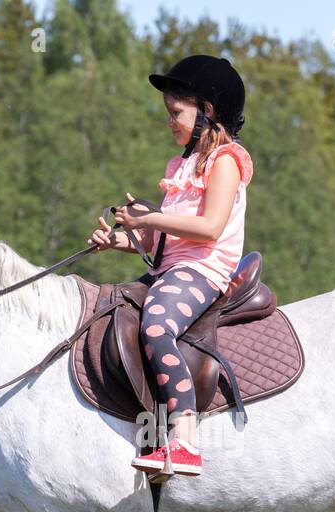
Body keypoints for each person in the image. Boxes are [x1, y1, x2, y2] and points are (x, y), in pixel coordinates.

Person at [89, 55, 254, 479]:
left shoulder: (226, 162)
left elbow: (208, 228)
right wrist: (121, 240)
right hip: (172, 269)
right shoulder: (178, 167)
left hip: (204, 271)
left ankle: (184, 441)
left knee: (158, 326)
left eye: (175, 112)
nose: (170, 122)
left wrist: (148, 217)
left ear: (208, 111)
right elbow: (160, 240)